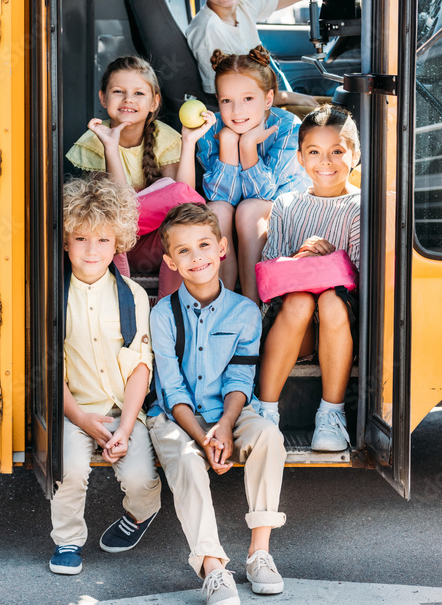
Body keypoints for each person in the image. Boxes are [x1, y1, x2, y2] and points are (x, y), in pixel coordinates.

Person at [147, 202, 287, 603]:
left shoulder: (244, 312)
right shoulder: (163, 315)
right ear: (171, 262)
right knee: (187, 458)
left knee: (266, 434)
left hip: (227, 410)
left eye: (204, 245)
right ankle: (212, 566)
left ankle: (259, 553)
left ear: (222, 248)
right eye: (184, 251)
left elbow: (240, 379)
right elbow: (171, 390)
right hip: (178, 417)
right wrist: (203, 438)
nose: (197, 258)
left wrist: (225, 425)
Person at [49, 177, 163, 576]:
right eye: (81, 239)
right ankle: (67, 540)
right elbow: (52, 369)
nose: (92, 250)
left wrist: (126, 429)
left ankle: (141, 514)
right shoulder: (53, 296)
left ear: (118, 242)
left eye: (102, 240)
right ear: (65, 242)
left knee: (141, 482)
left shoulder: (130, 294)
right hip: (73, 410)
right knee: (71, 470)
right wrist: (81, 419)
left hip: (120, 412)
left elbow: (139, 367)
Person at [257, 104, 361, 452]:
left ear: (354, 155)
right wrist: (301, 258)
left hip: (342, 327)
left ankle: (331, 415)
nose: (325, 161)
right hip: (295, 327)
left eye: (337, 151)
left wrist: (332, 256)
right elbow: (270, 272)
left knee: (331, 300)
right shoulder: (287, 204)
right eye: (314, 152)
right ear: (300, 158)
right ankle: (266, 412)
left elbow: (364, 276)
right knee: (300, 299)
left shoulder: (361, 206)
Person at [67, 55, 214, 299]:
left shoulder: (165, 138)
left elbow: (185, 205)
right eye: (118, 91)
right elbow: (114, 207)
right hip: (115, 242)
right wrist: (110, 148)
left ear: (155, 102)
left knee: (183, 216)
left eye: (138, 93)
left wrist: (188, 141)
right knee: (109, 222)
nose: (128, 100)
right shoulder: (95, 139)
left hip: (157, 244)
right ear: (103, 97)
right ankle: (126, 302)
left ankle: (169, 307)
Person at [185, 0, 360, 108]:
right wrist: (286, 97)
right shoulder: (206, 31)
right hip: (248, 113)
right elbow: (229, 99)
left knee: (341, 104)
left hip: (266, 98)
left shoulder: (245, 4)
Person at [196, 46, 309, 304]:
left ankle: (252, 307)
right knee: (216, 211)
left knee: (249, 210)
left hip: (280, 213)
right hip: (239, 211)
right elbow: (221, 196)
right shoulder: (212, 129)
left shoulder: (288, 127)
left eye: (248, 99)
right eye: (227, 101)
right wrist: (228, 145)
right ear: (218, 100)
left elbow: (266, 196)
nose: (236, 111)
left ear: (268, 99)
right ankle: (221, 306)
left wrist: (247, 148)